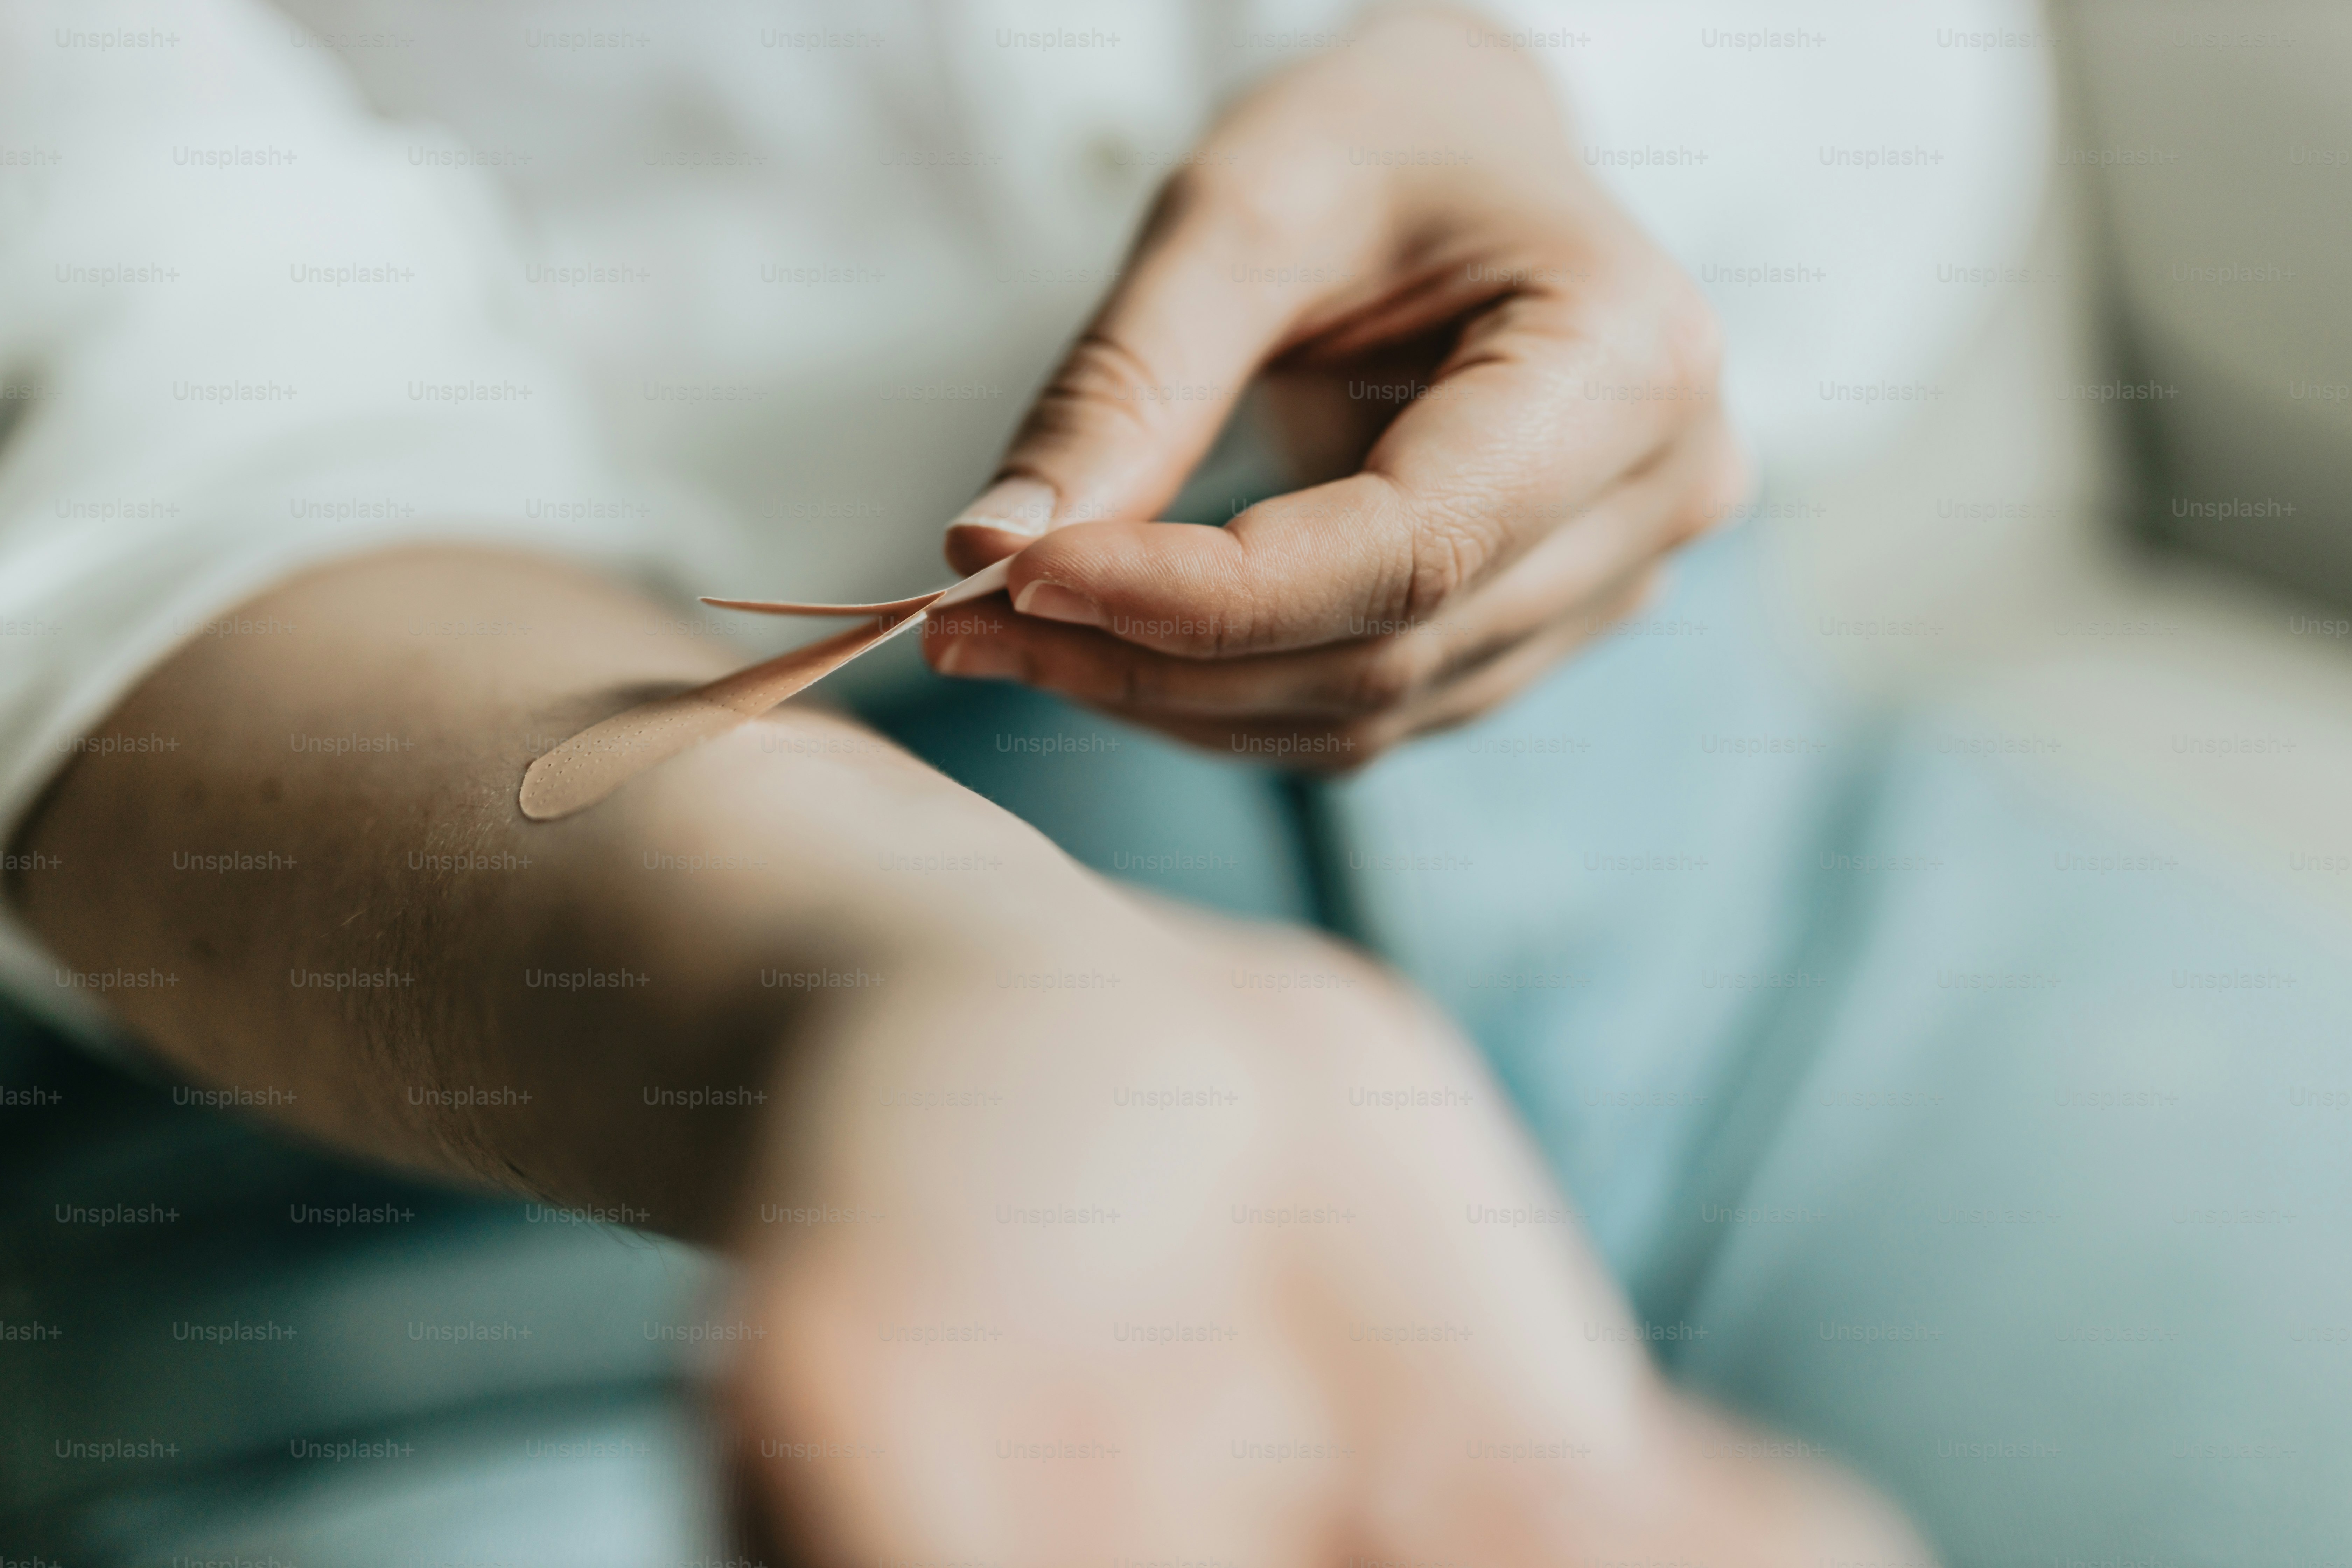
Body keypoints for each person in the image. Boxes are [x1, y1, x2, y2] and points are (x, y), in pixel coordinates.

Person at [7, 1, 2351, 1563]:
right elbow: (126, 437)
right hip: (430, 1089)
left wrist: (1525, 83)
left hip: (1729, 846)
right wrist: (936, 974)